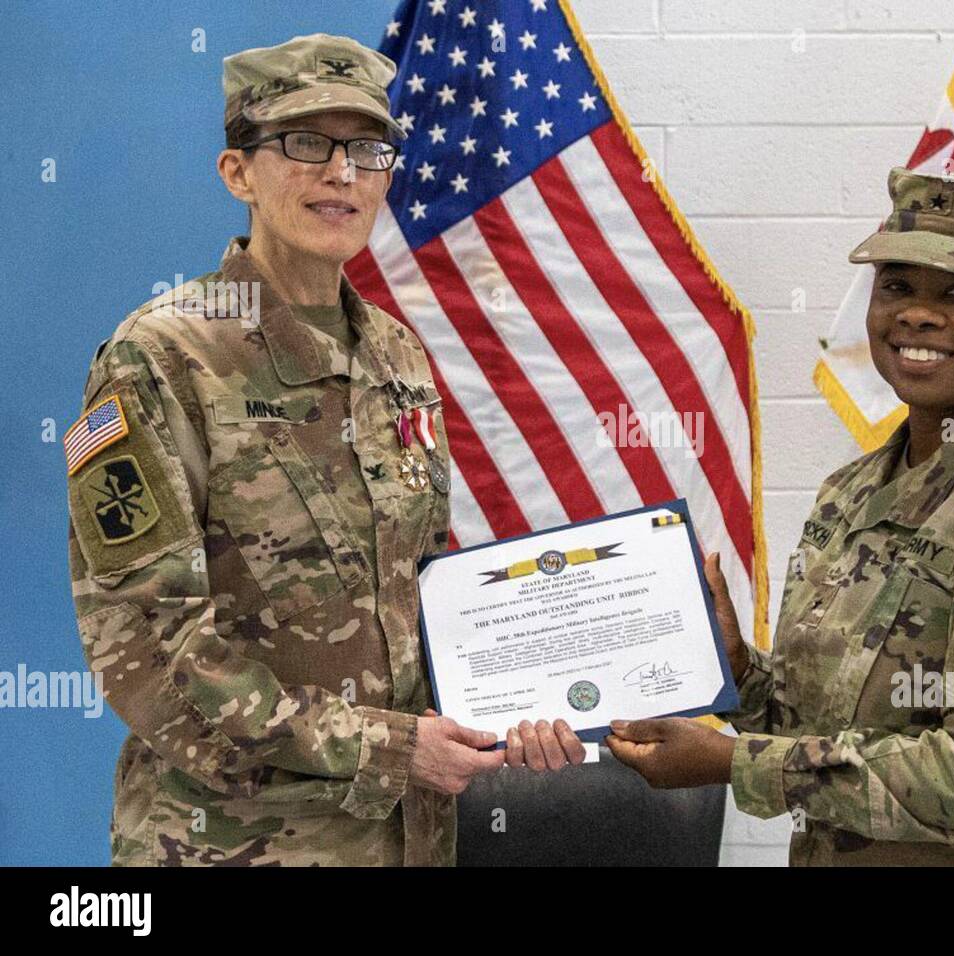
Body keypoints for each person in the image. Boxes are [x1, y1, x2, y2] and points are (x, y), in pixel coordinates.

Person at [65, 33, 581, 868]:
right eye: (306, 143)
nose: (341, 172)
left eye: (367, 150)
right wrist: (387, 748)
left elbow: (424, 595)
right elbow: (146, 646)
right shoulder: (162, 357)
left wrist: (523, 699)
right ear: (239, 173)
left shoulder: (398, 358)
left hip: (405, 840)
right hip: (230, 846)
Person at [607, 167, 954, 866]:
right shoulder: (856, 489)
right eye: (898, 286)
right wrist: (737, 669)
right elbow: (828, 725)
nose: (918, 314)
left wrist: (733, 763)